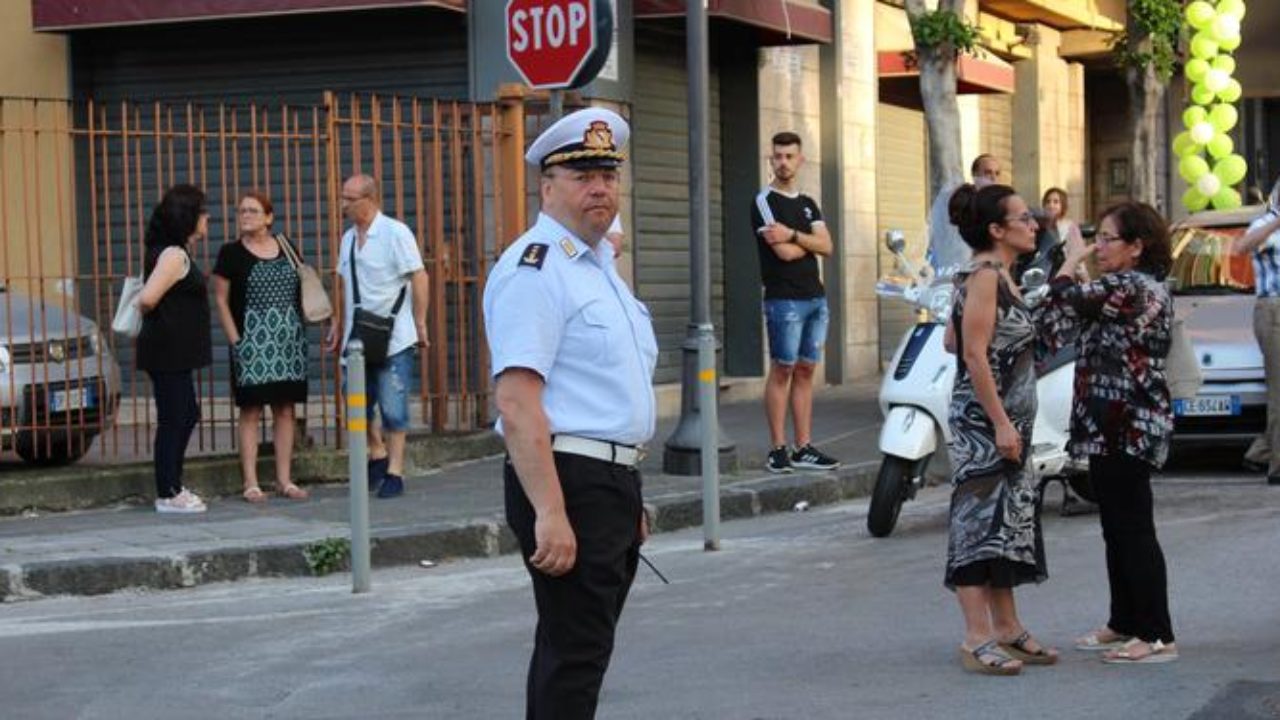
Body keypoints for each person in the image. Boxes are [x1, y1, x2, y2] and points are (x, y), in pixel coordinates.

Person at [483, 107, 657, 720]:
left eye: (608, 175)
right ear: (547, 187)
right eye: (582, 176)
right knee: (576, 655)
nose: (600, 188)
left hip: (605, 483)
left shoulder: (597, 267)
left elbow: (604, 391)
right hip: (568, 481)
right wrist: (551, 512)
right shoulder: (536, 269)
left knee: (576, 649)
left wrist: (626, 496)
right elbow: (517, 401)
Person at [1046, 201, 1179, 664]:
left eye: (1107, 239)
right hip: (1107, 424)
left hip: (1129, 423)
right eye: (1096, 238)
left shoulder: (1132, 286)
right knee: (1115, 528)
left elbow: (1064, 300)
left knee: (1133, 528)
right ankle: (1123, 621)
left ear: (1136, 247)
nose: (1098, 247)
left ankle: (1156, 634)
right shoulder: (1123, 287)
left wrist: (1070, 259)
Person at [943, 183, 1055, 676]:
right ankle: (976, 636)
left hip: (1005, 419)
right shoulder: (986, 276)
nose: (1034, 224)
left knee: (1007, 522)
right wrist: (1002, 422)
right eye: (1023, 218)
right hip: (986, 424)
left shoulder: (993, 275)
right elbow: (971, 353)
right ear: (996, 229)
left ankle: (1007, 627)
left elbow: (952, 339)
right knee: (976, 522)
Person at [324, 174, 430, 499]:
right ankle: (377, 452)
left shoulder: (395, 233)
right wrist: (338, 321)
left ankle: (394, 471)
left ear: (369, 200)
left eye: (349, 199)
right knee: (356, 403)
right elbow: (345, 284)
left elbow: (419, 276)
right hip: (357, 336)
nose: (343, 204)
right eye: (342, 197)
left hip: (393, 334)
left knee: (393, 406)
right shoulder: (348, 239)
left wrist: (420, 322)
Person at [212, 191, 309, 503]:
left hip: (288, 341)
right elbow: (221, 300)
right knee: (251, 410)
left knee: (285, 409)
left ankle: (284, 480)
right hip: (251, 342)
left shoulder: (287, 246)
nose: (245, 215)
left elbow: (304, 286)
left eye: (253, 211)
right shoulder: (230, 253)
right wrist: (235, 341)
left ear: (269, 217)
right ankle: (251, 482)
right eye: (242, 211)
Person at [752, 131, 840, 473]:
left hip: (815, 298)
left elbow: (828, 246)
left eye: (789, 156)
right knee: (783, 369)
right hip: (784, 300)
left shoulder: (808, 203)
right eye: (778, 156)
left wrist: (791, 234)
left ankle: (803, 447)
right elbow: (785, 254)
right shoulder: (764, 202)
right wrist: (808, 242)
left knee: (806, 371)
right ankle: (778, 449)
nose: (783, 162)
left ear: (800, 160)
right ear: (770, 159)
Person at [136, 184, 213, 514]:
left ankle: (173, 485)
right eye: (202, 212)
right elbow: (147, 298)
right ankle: (168, 491)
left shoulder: (171, 252)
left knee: (185, 414)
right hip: (167, 351)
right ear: (188, 217)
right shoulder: (173, 255)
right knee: (175, 417)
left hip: (173, 352)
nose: (207, 218)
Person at [1232, 177, 1280, 485]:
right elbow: (1241, 247)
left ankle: (1260, 452)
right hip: (1274, 308)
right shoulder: (1265, 224)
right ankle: (1277, 465)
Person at [929, 154, 1005, 274]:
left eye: (997, 173)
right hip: (956, 265)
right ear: (975, 175)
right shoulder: (963, 200)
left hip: (991, 267)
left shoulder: (1003, 204)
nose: (993, 178)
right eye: (988, 173)